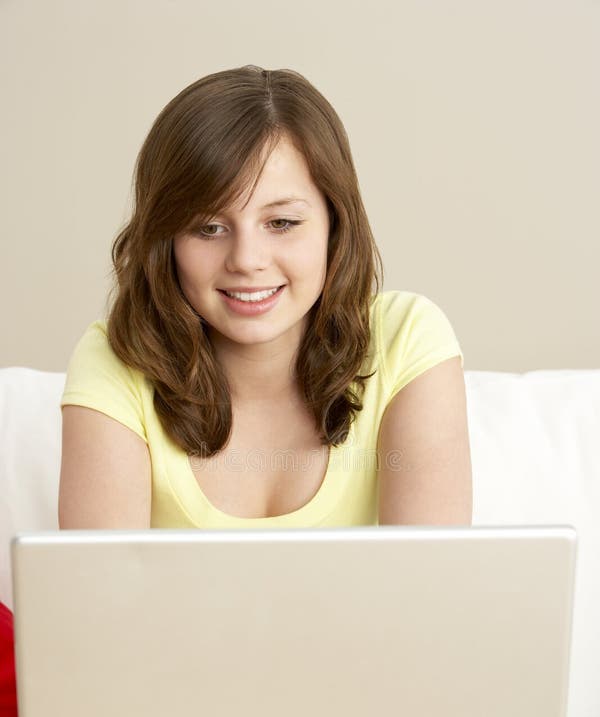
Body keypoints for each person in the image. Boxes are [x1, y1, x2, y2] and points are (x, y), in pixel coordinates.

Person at [58, 65, 472, 530]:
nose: (247, 260)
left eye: (282, 223)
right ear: (167, 240)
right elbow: (98, 599)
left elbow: (432, 591)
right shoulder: (115, 359)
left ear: (335, 225)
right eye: (208, 227)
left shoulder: (408, 339)